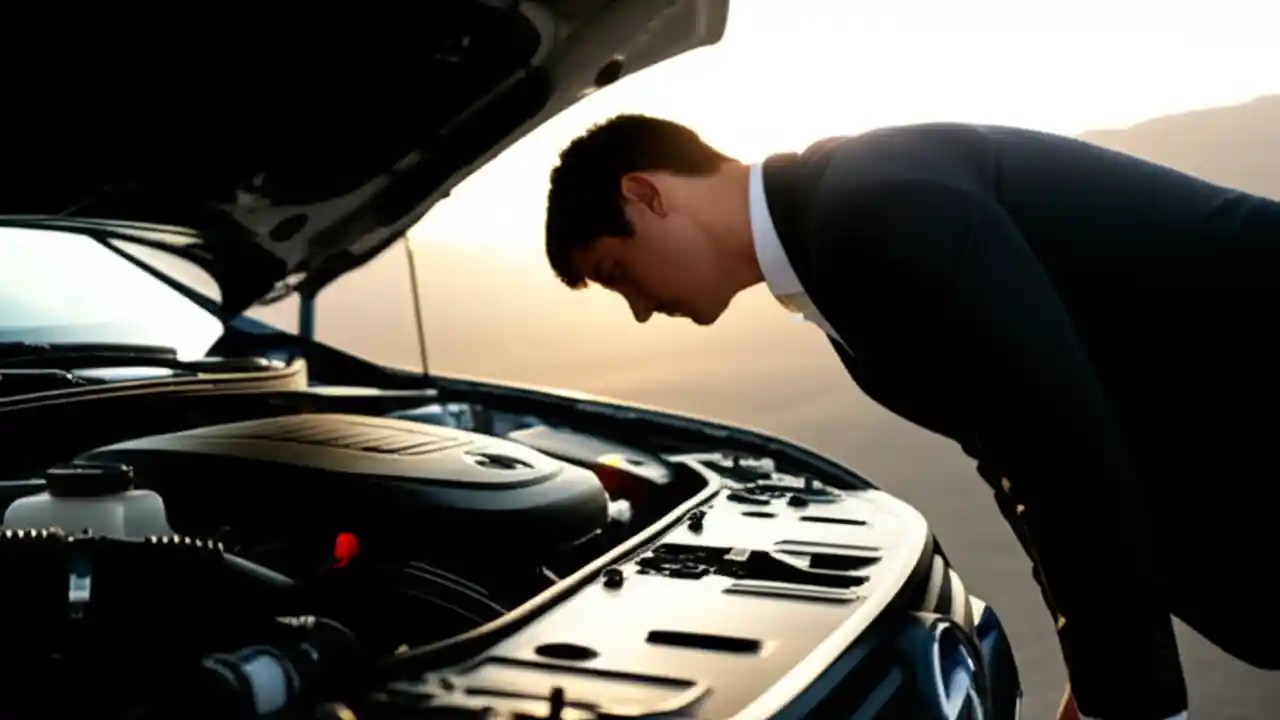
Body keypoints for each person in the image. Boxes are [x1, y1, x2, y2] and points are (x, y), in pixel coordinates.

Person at [542, 114, 1280, 720]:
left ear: (645, 194)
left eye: (616, 273)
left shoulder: (871, 211)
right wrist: (1095, 678)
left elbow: (1059, 455)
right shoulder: (835, 222)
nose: (638, 309)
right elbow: (1013, 455)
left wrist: (1130, 704)